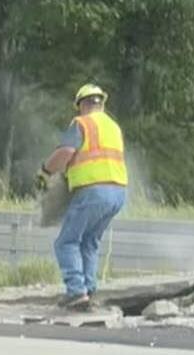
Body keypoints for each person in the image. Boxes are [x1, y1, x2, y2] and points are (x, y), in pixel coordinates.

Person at [36, 84, 128, 310]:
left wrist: (45, 172)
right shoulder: (114, 126)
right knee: (89, 242)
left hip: (93, 192)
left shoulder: (81, 123)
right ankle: (88, 289)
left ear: (82, 105)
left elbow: (66, 152)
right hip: (118, 192)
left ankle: (76, 292)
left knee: (66, 242)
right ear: (102, 103)